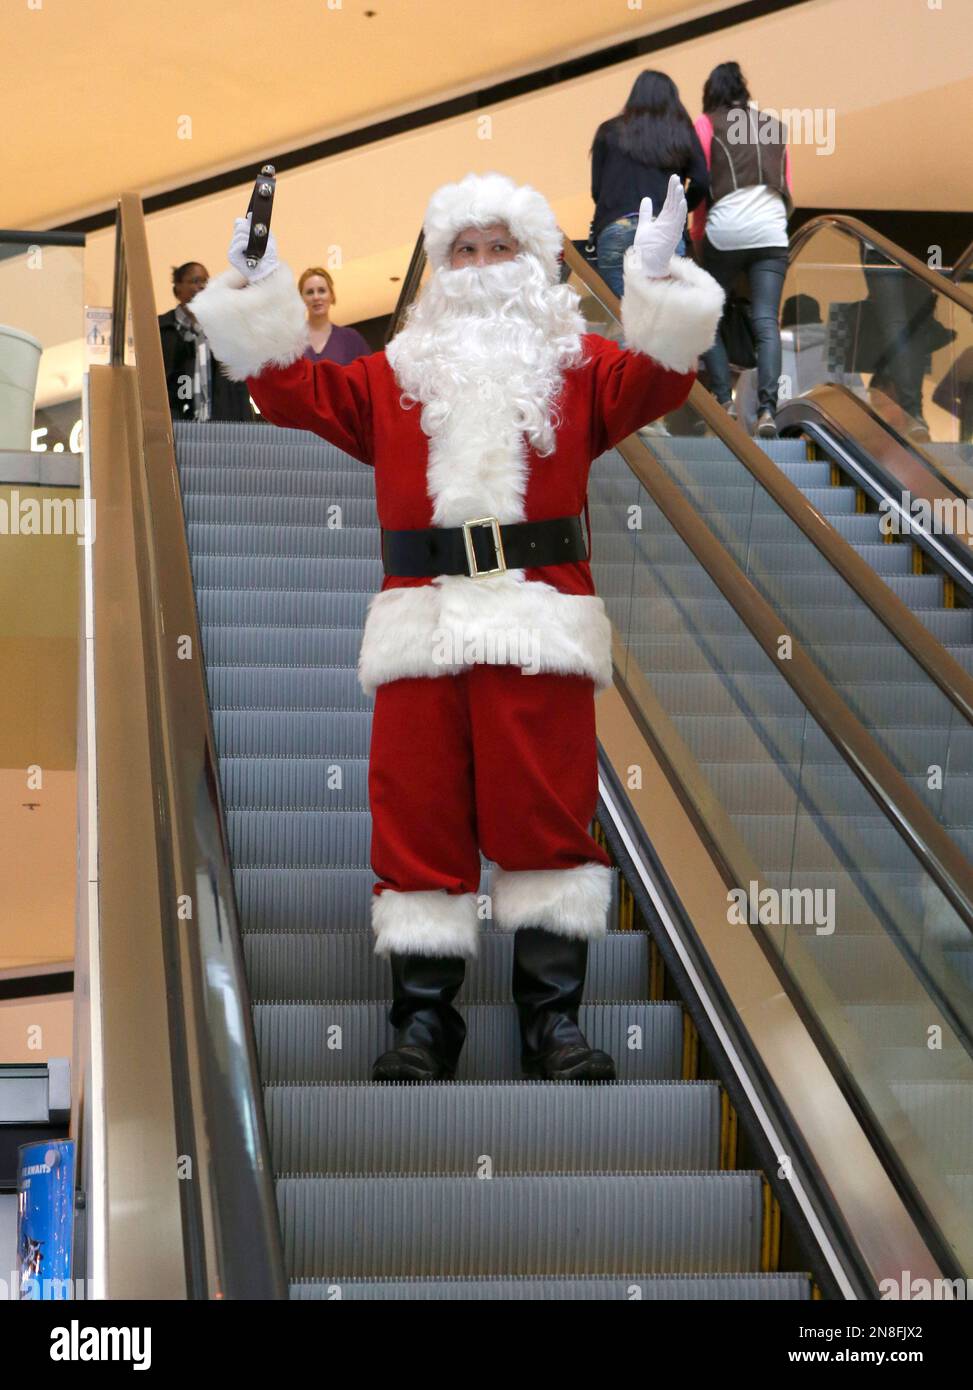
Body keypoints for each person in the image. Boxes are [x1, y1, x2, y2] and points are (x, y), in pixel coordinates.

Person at [189, 171, 723, 1084]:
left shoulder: (583, 369)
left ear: (533, 262)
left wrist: (662, 282)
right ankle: (424, 1026)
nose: (479, 268)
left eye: (498, 248)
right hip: (421, 627)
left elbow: (668, 376)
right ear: (438, 270)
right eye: (462, 251)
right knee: (417, 818)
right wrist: (254, 287)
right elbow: (284, 388)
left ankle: (552, 1026)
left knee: (547, 818)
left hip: (538, 622)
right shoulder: (390, 375)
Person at [690, 61, 793, 438]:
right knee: (767, 322)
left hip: (726, 232)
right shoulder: (773, 126)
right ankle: (768, 411)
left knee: (709, 315)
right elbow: (786, 185)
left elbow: (700, 185)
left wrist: (698, 238)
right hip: (772, 234)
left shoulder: (706, 124)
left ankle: (723, 401)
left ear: (711, 93)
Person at [590, 69, 709, 300]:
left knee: (624, 317)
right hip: (662, 229)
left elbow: (597, 191)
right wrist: (678, 210)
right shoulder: (680, 132)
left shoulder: (608, 131)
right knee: (663, 316)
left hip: (616, 228)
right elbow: (701, 181)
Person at [158, 262, 254, 422]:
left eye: (206, 282)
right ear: (178, 288)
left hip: (220, 427)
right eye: (195, 281)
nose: (202, 286)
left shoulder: (223, 330)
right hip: (176, 425)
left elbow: (237, 386)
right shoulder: (162, 330)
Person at [299, 266, 371, 364]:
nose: (316, 297)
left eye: (321, 291)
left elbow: (369, 373)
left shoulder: (351, 339)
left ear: (332, 296)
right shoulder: (291, 343)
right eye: (310, 292)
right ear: (301, 299)